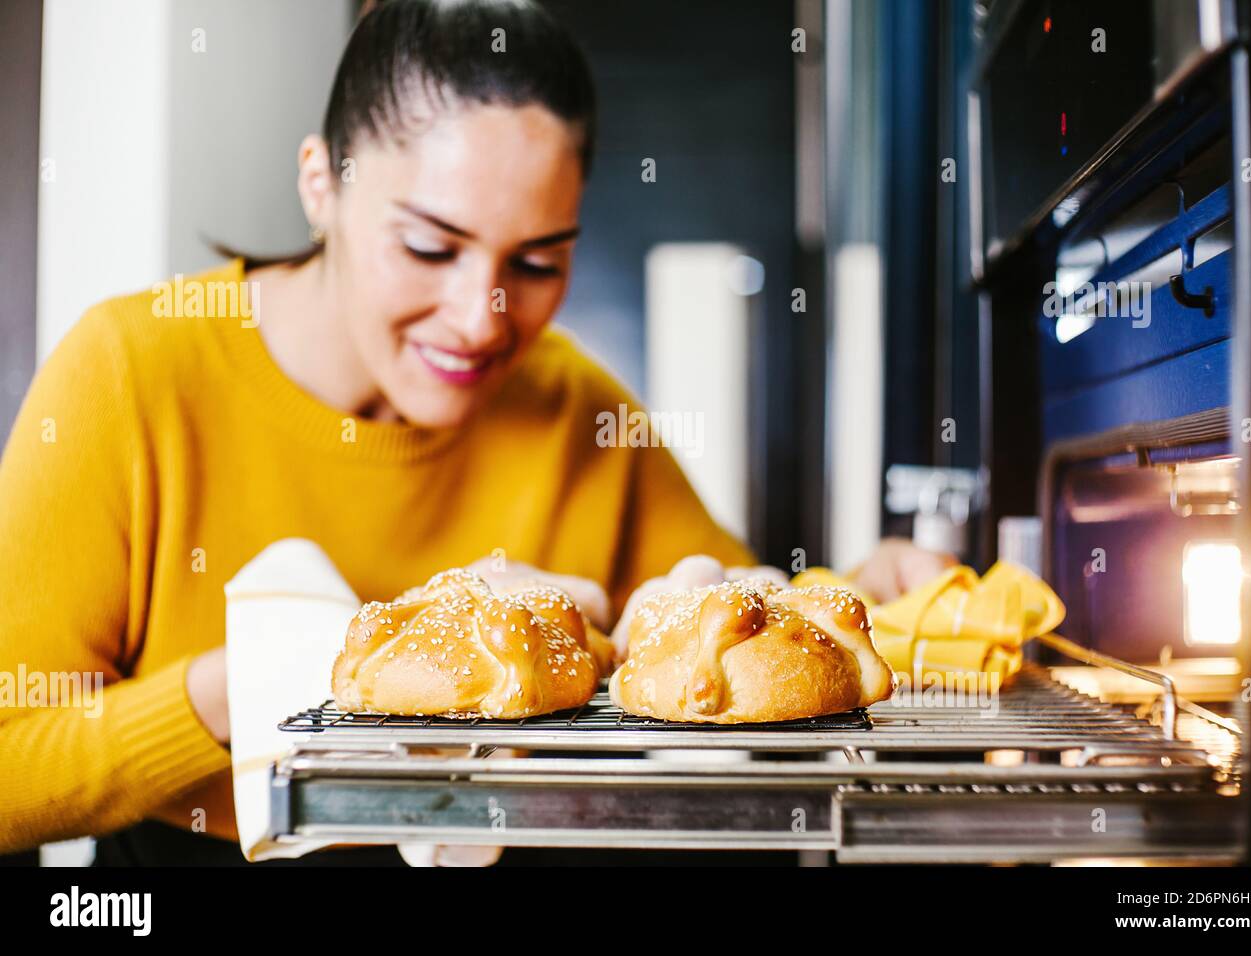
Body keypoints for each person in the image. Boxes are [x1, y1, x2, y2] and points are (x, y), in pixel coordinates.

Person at [0, 0, 951, 864]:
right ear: (321, 185)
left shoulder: (577, 407)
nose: (481, 318)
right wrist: (244, 683)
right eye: (428, 246)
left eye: (537, 263)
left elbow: (732, 626)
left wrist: (861, 593)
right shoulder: (131, 368)